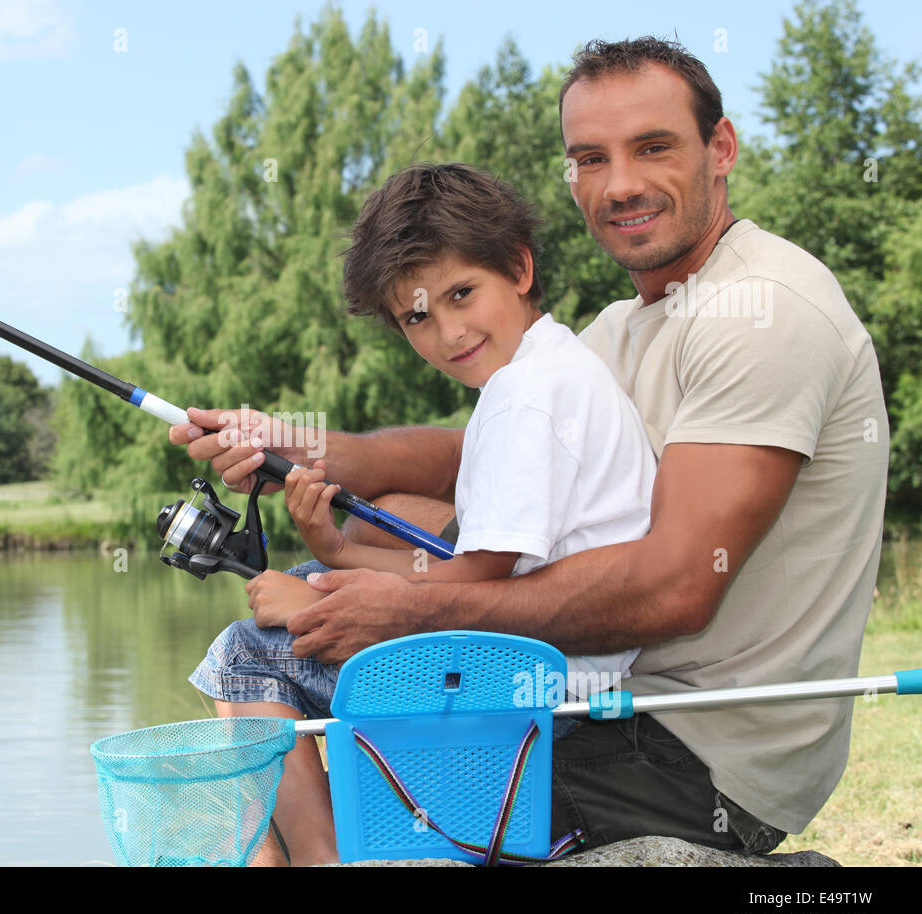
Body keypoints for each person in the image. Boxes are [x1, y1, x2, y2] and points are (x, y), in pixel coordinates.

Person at [172, 37, 889, 862]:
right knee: (364, 560)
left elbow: (678, 588)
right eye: (591, 157)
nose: (620, 183)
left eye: (653, 147)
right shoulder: (623, 327)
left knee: (262, 665)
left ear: (720, 147)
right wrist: (288, 443)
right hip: (608, 698)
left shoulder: (758, 311)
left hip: (688, 752)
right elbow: (474, 457)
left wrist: (398, 607)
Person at [189, 164, 657, 864]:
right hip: (546, 664)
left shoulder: (525, 396)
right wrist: (337, 558)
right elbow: (466, 568)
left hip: (535, 689)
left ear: (520, 268)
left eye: (461, 294)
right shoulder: (551, 367)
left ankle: (322, 859)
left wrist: (313, 596)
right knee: (301, 592)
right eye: (417, 316)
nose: (448, 332)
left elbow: (477, 585)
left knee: (247, 655)